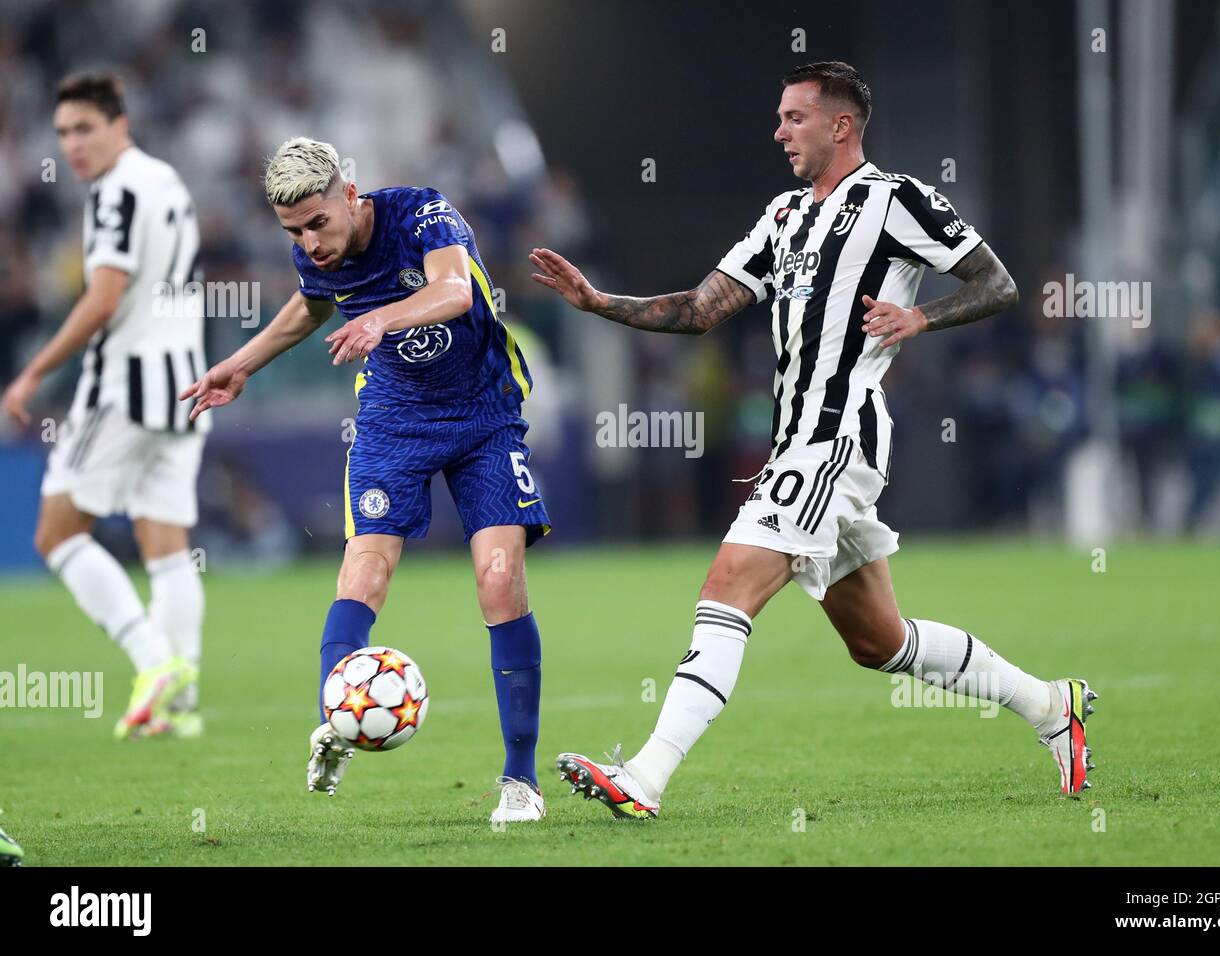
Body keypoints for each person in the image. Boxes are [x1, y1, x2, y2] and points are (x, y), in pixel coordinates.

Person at [530, 61, 1096, 819]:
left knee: (728, 581)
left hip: (837, 437)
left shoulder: (899, 201)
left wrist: (922, 318)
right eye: (778, 116)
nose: (779, 130)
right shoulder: (785, 216)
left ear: (842, 125)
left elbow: (997, 284)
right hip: (796, 440)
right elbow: (701, 309)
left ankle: (648, 776)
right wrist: (599, 303)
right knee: (879, 642)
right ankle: (1050, 704)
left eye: (794, 117)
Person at [182, 138, 551, 823]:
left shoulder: (423, 214)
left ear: (350, 196)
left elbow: (453, 289)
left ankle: (520, 781)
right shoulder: (314, 254)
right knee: (363, 573)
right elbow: (311, 304)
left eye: (319, 223)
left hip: (484, 412)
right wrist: (241, 364)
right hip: (393, 419)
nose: (311, 242)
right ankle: (337, 717)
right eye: (294, 232)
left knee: (499, 581)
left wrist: (381, 317)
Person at [2, 73, 207, 739]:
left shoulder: (116, 190)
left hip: (126, 385)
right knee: (167, 546)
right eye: (62, 132)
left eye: (84, 128)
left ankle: (154, 664)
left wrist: (32, 370)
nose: (72, 144)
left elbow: (103, 299)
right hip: (187, 383)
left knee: (56, 534)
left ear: (120, 123)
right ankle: (178, 704)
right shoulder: (166, 179)